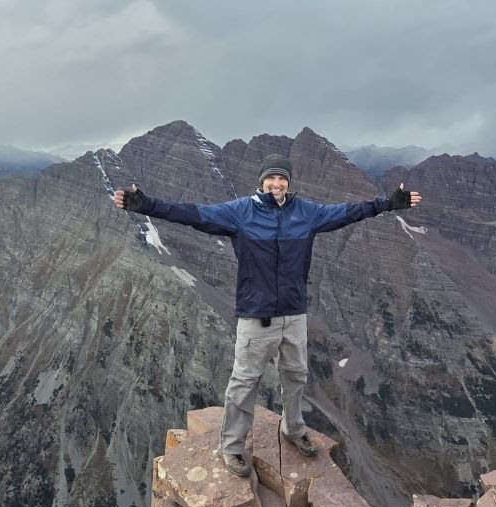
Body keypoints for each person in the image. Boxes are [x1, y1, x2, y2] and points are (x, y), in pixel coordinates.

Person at [113, 154, 422, 477]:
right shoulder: (239, 213)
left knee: (296, 375)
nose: (276, 184)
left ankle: (294, 429)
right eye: (270, 178)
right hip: (255, 317)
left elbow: (348, 213)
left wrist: (388, 203)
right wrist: (145, 204)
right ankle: (232, 447)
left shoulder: (307, 213)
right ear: (261, 181)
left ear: (289, 182)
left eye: (282, 178)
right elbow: (192, 214)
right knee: (244, 382)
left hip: (293, 314)